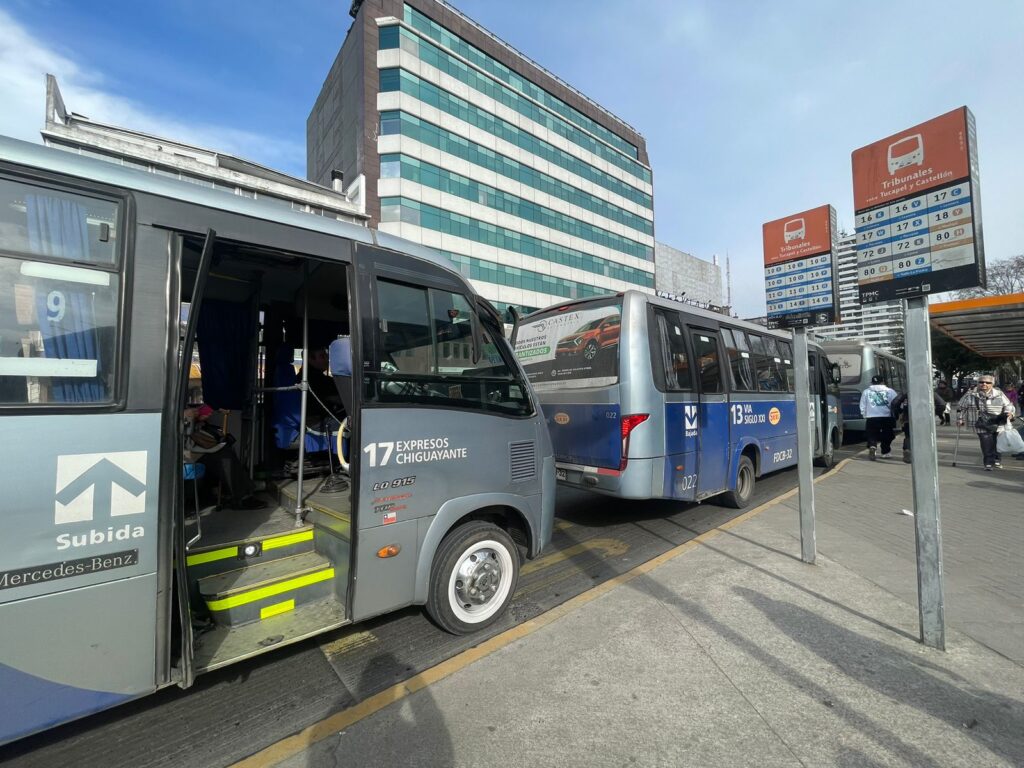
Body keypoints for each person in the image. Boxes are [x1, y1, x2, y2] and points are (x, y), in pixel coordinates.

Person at [185, 404, 265, 509]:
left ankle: (239, 492)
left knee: (225, 448)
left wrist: (196, 414)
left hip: (190, 445)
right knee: (223, 456)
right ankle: (242, 496)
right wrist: (186, 415)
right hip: (184, 451)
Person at [956, 375, 1015, 470]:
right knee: (986, 442)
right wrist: (960, 418)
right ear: (978, 383)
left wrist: (1009, 413)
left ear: (992, 384)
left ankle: (997, 459)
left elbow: (1008, 405)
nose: (984, 384)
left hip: (998, 422)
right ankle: (988, 462)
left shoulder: (999, 394)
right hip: (980, 422)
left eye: (988, 382)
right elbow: (961, 408)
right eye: (981, 382)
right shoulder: (970, 394)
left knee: (997, 442)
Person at [890, 388, 947, 463]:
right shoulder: (929, 391)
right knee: (923, 436)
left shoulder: (906, 391)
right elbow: (942, 404)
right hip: (924, 418)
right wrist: (933, 413)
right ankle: (922, 455)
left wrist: (899, 412)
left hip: (908, 417)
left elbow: (894, 403)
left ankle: (907, 449)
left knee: (908, 436)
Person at [860, 374, 898, 460]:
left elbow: (862, 405)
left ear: (872, 382)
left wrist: (864, 414)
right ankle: (885, 452)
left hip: (871, 417)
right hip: (887, 417)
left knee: (872, 434)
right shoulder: (890, 391)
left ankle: (873, 446)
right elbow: (896, 402)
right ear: (883, 382)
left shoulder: (866, 392)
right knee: (887, 435)